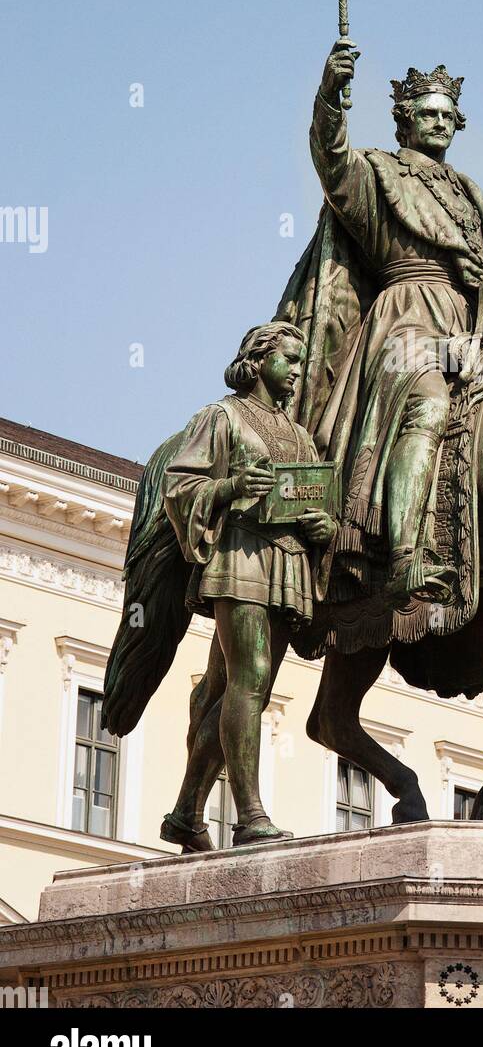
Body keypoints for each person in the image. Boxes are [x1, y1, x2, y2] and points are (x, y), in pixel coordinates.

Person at [304, 38, 483, 606]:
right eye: (429, 114)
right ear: (405, 121)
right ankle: (405, 554)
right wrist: (332, 97)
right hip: (406, 321)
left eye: (449, 117)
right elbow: (332, 164)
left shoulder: (471, 193)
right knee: (427, 402)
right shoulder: (380, 173)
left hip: (472, 326)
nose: (440, 124)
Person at [160, 322, 336, 850]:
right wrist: (232, 486)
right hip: (240, 554)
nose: (299, 371)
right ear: (259, 361)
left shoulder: (299, 435)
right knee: (250, 679)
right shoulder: (223, 417)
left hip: (286, 564)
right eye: (291, 360)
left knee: (235, 689)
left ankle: (186, 813)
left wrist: (322, 527)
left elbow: (314, 502)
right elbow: (179, 485)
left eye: (303, 362)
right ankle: (250, 814)